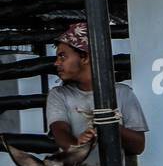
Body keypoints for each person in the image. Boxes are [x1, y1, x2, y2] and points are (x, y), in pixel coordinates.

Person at [46, 21, 148, 155]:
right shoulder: (59, 95)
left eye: (63, 56)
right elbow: (60, 133)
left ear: (85, 58)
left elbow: (138, 146)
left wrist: (109, 125)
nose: (57, 63)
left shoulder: (122, 93)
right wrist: (78, 145)